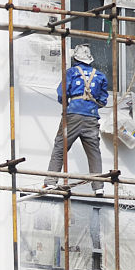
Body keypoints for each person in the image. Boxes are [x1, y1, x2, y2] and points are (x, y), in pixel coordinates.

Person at [44, 44, 109, 196]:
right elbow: (103, 100)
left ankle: (50, 182)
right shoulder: (100, 76)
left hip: (73, 115)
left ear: (75, 59)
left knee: (60, 147)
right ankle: (98, 186)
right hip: (92, 117)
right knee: (94, 152)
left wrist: (70, 104)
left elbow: (62, 94)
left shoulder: (72, 72)